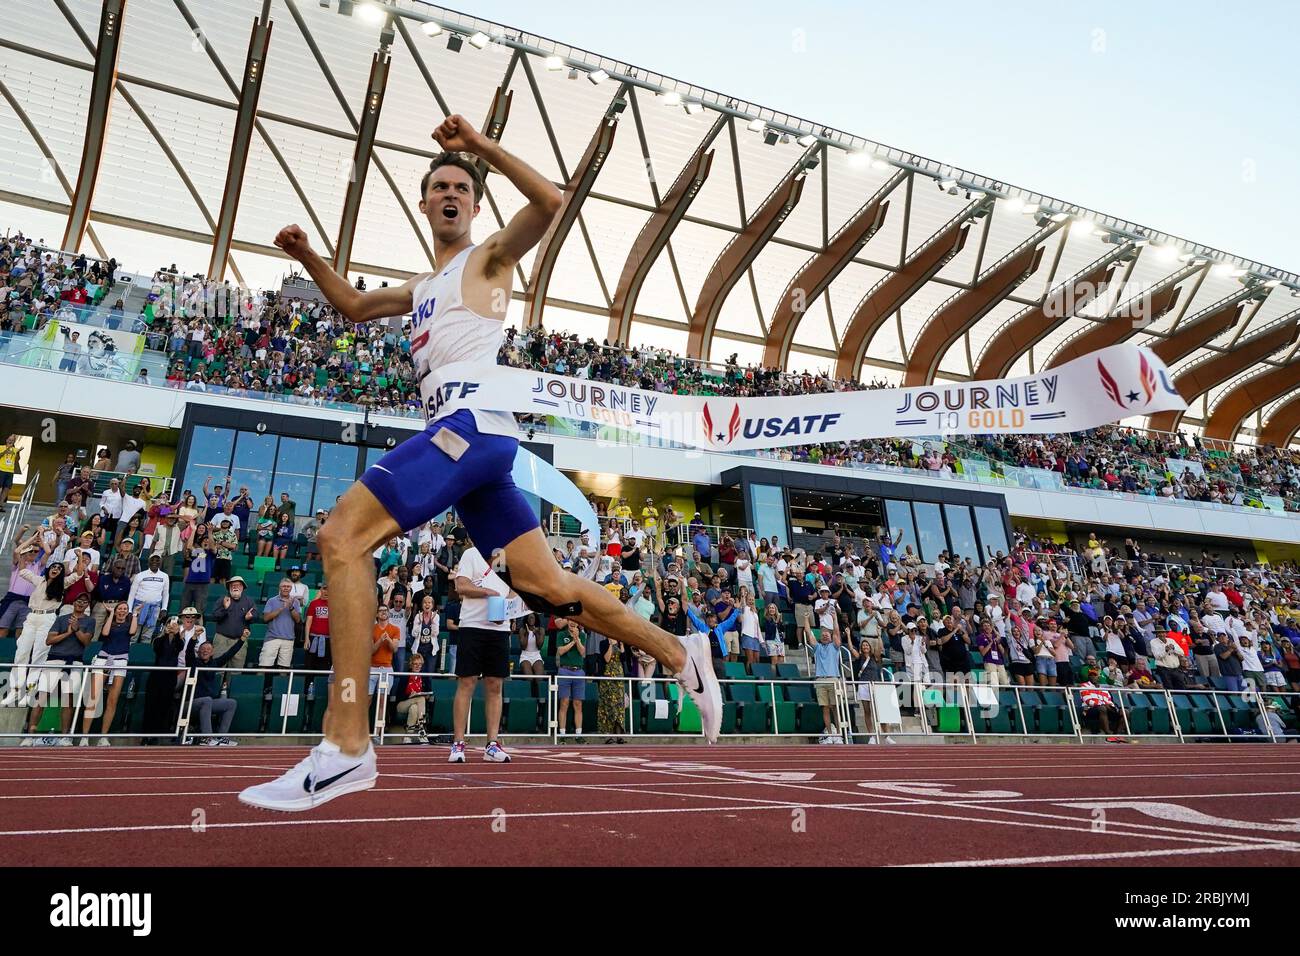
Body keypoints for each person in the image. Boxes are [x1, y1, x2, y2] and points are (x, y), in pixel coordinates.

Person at [240, 121, 720, 812]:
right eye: (439, 186)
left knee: (341, 537)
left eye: (462, 187)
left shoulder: (489, 259)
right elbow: (351, 305)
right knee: (547, 584)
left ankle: (345, 747)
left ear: (474, 203)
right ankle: (679, 652)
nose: (451, 193)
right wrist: (308, 253)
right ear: (423, 202)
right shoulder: (424, 283)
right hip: (476, 450)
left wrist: (481, 148)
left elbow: (552, 204)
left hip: (473, 426)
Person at [447, 545, 512, 764]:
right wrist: (488, 592)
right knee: (467, 682)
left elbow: (511, 590)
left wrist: (507, 609)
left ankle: (492, 744)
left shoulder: (503, 555)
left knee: (495, 685)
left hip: (499, 629)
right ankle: (458, 743)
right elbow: (461, 585)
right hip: (472, 625)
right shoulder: (471, 554)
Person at [21, 593, 93, 745]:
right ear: (73, 602)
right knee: (41, 698)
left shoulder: (90, 621)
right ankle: (30, 736)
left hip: (74, 663)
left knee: (68, 701)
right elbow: (49, 640)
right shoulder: (60, 619)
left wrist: (76, 629)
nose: (81, 603)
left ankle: (65, 737)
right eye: (79, 600)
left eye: (84, 602)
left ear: (87, 605)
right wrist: (68, 632)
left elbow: (86, 641)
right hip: (54, 659)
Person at [80, 602, 138, 745]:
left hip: (120, 661)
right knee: (93, 698)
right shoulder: (109, 623)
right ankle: (84, 737)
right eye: (120, 609)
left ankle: (103, 736)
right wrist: (110, 613)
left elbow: (133, 632)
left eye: (125, 609)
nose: (122, 611)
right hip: (103, 659)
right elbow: (105, 633)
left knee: (112, 700)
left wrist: (135, 614)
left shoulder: (129, 623)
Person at [185, 635, 246, 746]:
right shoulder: (193, 662)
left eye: (208, 649)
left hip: (207, 703)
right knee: (207, 700)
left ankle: (221, 737)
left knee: (231, 703)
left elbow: (229, 654)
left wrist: (241, 640)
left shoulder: (214, 663)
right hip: (191, 703)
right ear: (198, 652)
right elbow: (189, 652)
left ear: (212, 653)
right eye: (202, 649)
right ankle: (207, 738)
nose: (205, 651)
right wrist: (194, 639)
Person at [555, 620, 587, 740]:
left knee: (578, 704)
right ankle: (562, 734)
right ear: (567, 622)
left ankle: (578, 735)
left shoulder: (583, 635)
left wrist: (577, 638)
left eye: (575, 621)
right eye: (570, 621)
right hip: (564, 670)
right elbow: (561, 651)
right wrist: (573, 640)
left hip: (578, 671)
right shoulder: (561, 635)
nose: (573, 623)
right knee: (564, 703)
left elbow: (582, 652)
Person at [392, 652, 432, 744]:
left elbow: (429, 692)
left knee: (414, 708)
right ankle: (422, 730)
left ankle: (408, 736)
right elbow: (399, 696)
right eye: (415, 664)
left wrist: (427, 695)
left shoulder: (425, 677)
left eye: (420, 664)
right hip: (402, 704)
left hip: (417, 704)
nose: (418, 666)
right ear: (411, 664)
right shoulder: (405, 676)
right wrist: (409, 696)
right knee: (420, 699)